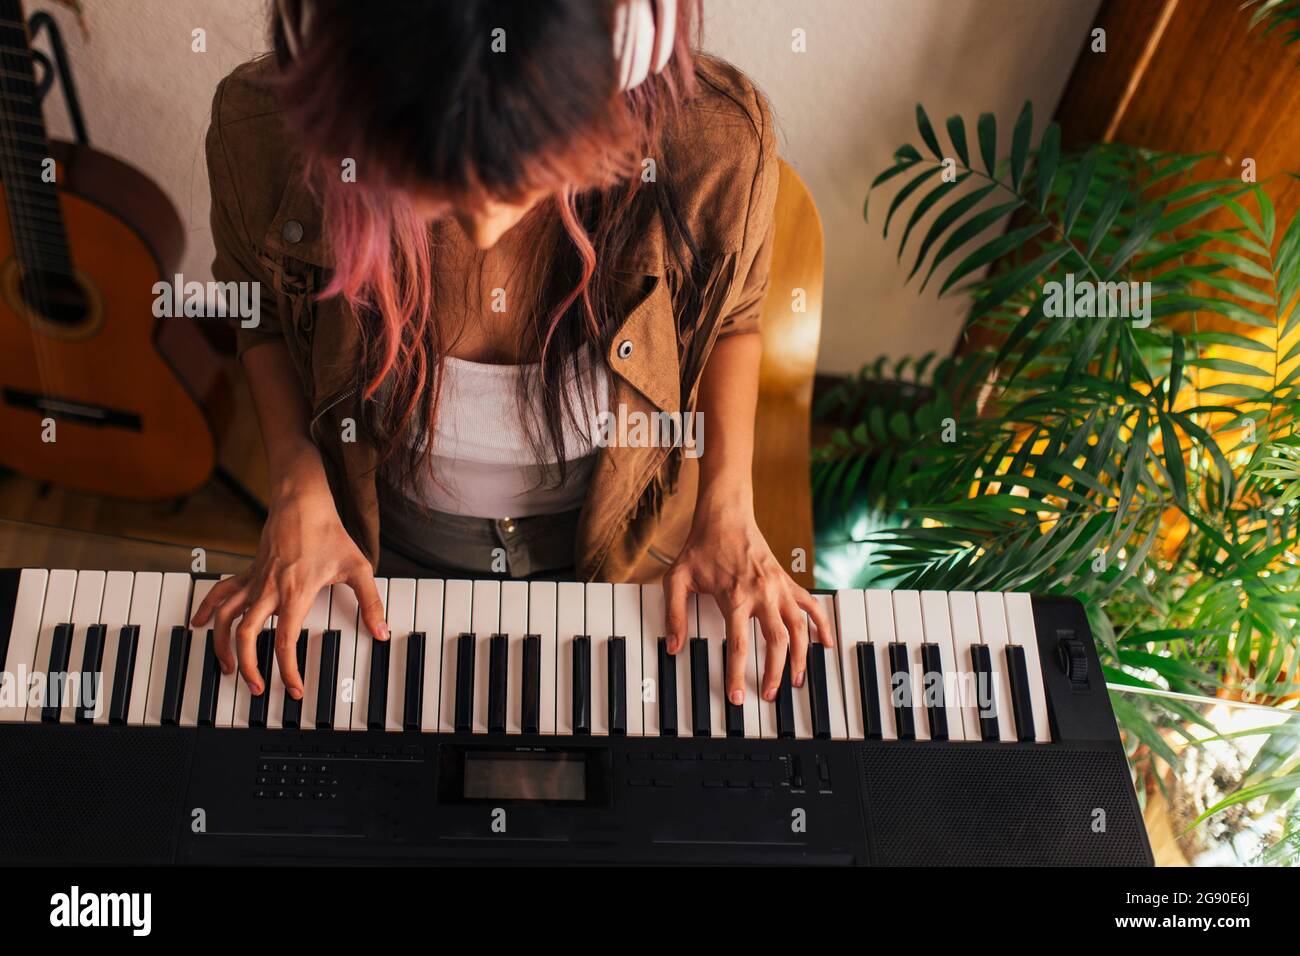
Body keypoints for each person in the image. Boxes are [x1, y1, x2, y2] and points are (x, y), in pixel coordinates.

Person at [193, 0, 831, 712]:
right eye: (438, 183)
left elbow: (734, 317)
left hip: (626, 558)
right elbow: (261, 316)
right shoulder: (262, 133)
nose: (484, 223)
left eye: (526, 176)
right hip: (373, 547)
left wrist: (729, 506)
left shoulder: (718, 143)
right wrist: (295, 487)